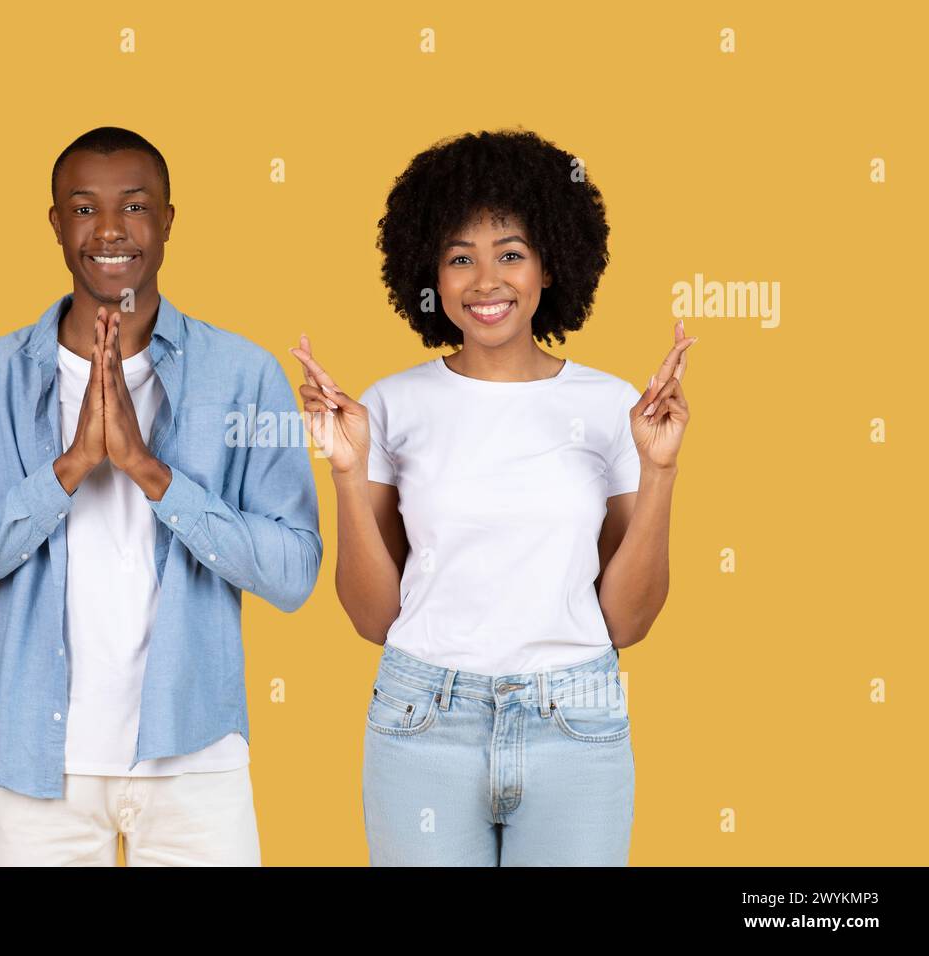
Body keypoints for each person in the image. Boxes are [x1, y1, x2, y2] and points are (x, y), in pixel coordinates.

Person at [0, 126, 322, 866]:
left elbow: (292, 574)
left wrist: (150, 472)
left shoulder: (244, 375)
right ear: (57, 225)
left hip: (195, 758)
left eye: (133, 206)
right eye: (83, 207)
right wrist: (66, 472)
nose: (109, 230)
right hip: (40, 766)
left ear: (166, 221)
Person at [289, 128, 693, 866]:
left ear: (550, 265)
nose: (486, 281)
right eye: (459, 258)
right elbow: (374, 618)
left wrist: (660, 470)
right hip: (422, 721)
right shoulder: (391, 405)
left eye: (510, 253)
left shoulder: (612, 408)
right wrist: (345, 475)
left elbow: (628, 623)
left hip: (576, 721)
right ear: (429, 275)